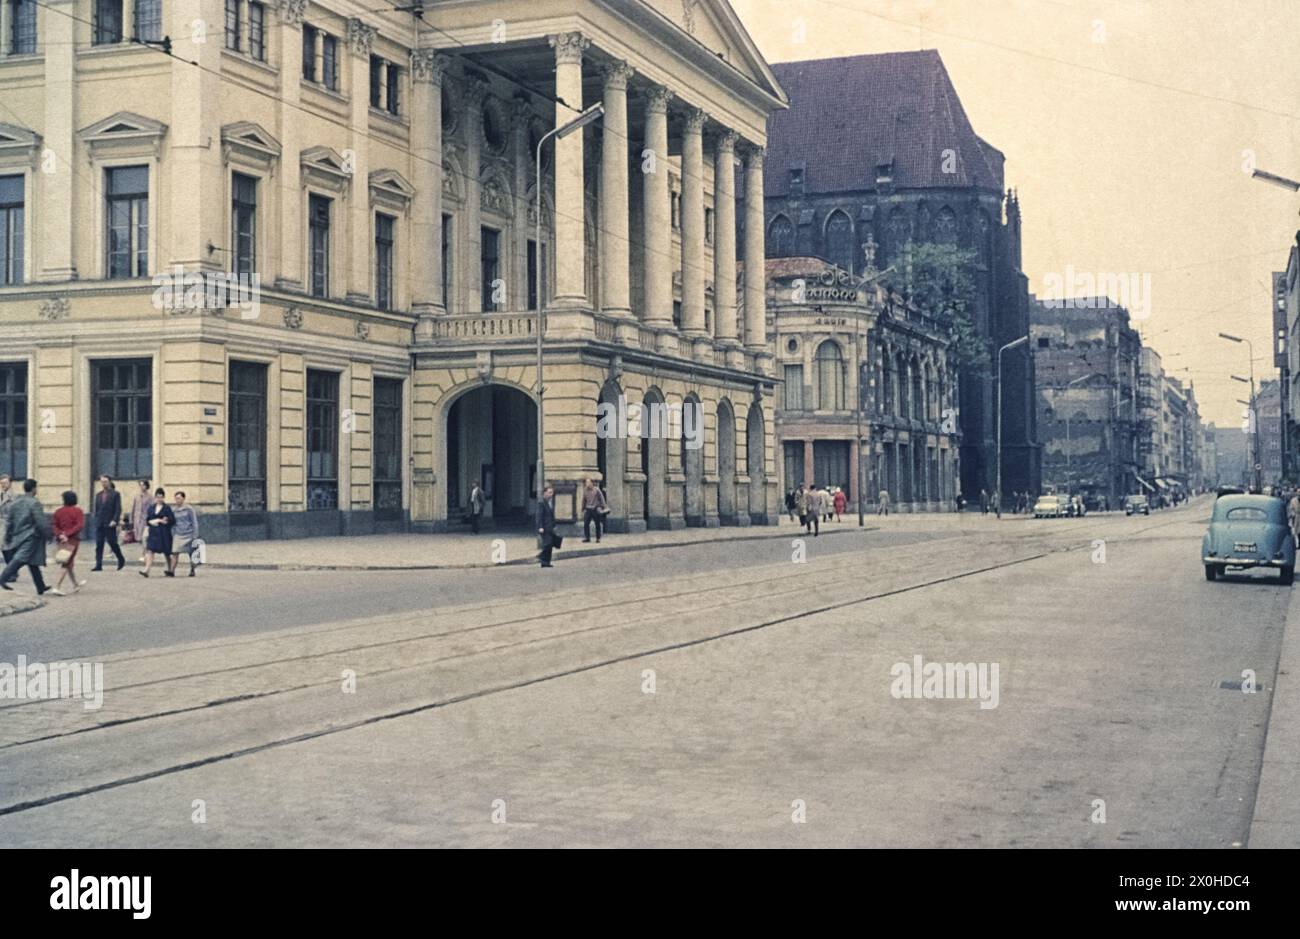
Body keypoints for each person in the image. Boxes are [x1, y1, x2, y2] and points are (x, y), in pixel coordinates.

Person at [0, 478, 50, 595]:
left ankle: (40, 586)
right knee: (20, 559)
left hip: (17, 535)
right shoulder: (34, 502)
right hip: (31, 536)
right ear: (33, 489)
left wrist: (7, 536)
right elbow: (40, 521)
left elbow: (9, 521)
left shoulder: (15, 502)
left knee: (32, 562)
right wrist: (48, 534)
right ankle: (2, 578)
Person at [49, 490, 86, 596]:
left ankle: (75, 584)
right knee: (67, 563)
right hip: (73, 539)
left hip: (61, 540)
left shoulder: (58, 511)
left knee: (68, 562)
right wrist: (68, 534)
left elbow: (54, 525)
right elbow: (79, 525)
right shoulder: (78, 511)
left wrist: (60, 534)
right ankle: (57, 586)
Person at [91, 474, 125, 571]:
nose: (103, 483)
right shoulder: (98, 495)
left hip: (110, 522)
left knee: (112, 542)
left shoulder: (115, 494)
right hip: (100, 522)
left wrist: (115, 520)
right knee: (99, 544)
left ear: (109, 482)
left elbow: (118, 508)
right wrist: (96, 519)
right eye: (102, 481)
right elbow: (97, 509)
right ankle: (98, 564)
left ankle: (120, 558)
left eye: (105, 481)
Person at [140, 487, 174, 578]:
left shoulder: (167, 508)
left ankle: (170, 569)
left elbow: (172, 520)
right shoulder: (151, 508)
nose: (159, 499)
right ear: (155, 497)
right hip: (153, 532)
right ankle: (147, 570)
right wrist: (151, 522)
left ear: (164, 498)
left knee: (167, 552)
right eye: (158, 497)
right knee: (150, 550)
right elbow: (147, 519)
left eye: (161, 497)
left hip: (164, 533)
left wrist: (166, 520)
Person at [169, 491, 200, 577]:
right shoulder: (174, 510)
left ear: (183, 498)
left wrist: (195, 535)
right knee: (175, 552)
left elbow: (194, 522)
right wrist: (173, 532)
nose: (177, 500)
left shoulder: (189, 509)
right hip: (178, 534)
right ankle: (171, 571)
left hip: (189, 534)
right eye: (176, 498)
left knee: (191, 553)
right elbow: (173, 522)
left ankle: (192, 569)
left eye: (179, 498)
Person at [536, 484, 558, 568]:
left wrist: (554, 525)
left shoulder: (550, 503)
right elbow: (539, 516)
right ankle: (541, 557)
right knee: (547, 544)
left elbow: (551, 516)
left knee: (550, 544)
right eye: (549, 492)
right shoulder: (542, 503)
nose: (551, 494)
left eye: (552, 492)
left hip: (550, 527)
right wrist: (540, 527)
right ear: (544, 493)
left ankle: (546, 562)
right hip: (544, 528)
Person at [581, 477, 608, 543]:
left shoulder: (596, 490)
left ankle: (598, 538)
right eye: (586, 482)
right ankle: (587, 538)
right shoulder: (585, 490)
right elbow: (583, 500)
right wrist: (583, 508)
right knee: (586, 523)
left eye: (588, 482)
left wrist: (604, 507)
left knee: (597, 523)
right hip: (588, 509)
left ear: (591, 483)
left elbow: (602, 499)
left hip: (595, 509)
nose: (587, 484)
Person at [130, 478, 152, 551]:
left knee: (144, 537)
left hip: (145, 519)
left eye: (143, 485)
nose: (142, 487)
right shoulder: (136, 496)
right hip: (137, 519)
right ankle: (144, 551)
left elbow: (151, 508)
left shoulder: (150, 497)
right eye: (140, 485)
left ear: (146, 486)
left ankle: (145, 552)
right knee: (138, 537)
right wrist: (131, 519)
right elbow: (133, 507)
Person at [0, 473, 15, 565]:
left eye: (5, 483)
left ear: (10, 483)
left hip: (9, 524)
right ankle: (12, 570)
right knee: (4, 546)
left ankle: (12, 571)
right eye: (1, 483)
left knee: (6, 547)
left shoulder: (13, 496)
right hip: (1, 524)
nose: (3, 485)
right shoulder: (1, 495)